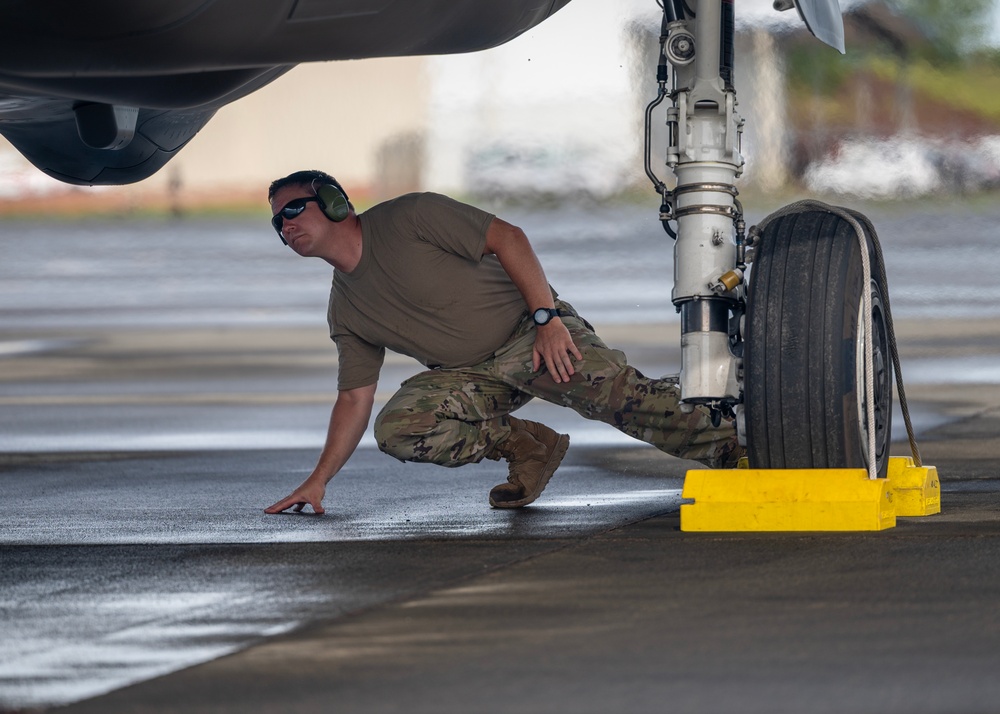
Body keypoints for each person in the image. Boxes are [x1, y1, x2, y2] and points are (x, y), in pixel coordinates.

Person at [264, 169, 739, 515]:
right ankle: (527, 447)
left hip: (530, 330)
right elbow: (354, 398)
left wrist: (547, 319)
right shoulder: (346, 309)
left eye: (292, 210)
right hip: (469, 374)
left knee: (619, 399)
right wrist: (318, 482)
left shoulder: (410, 217)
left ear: (333, 202)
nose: (285, 225)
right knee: (399, 429)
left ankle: (738, 446)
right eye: (277, 223)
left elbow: (507, 238)